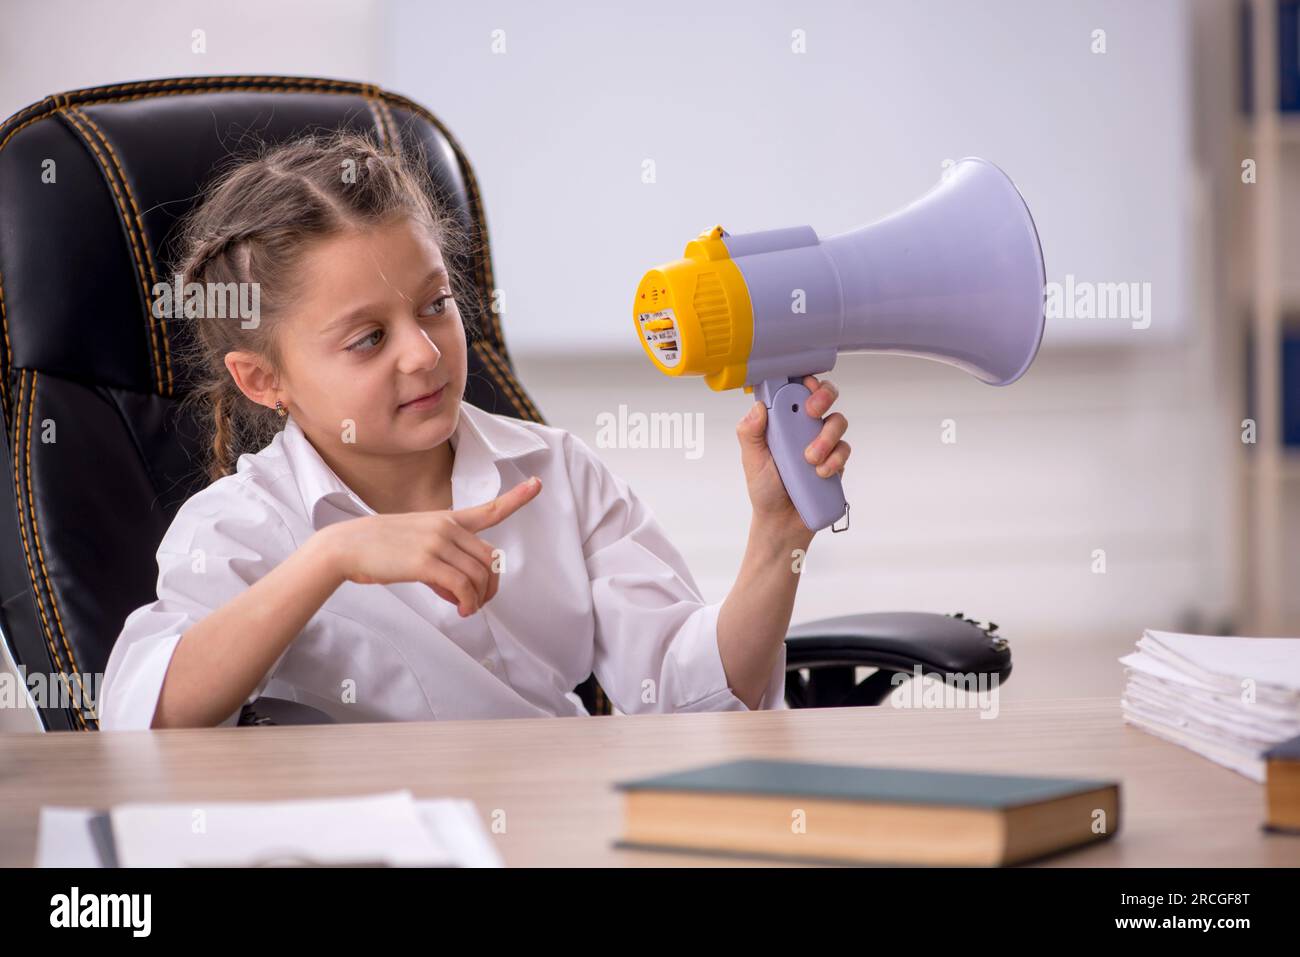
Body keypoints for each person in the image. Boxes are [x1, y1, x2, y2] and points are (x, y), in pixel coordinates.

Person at [98, 130, 851, 729]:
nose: (424, 353)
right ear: (264, 380)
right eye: (367, 338)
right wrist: (331, 556)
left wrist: (776, 537)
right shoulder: (245, 525)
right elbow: (149, 719)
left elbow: (695, 700)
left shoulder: (557, 472)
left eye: (436, 304)